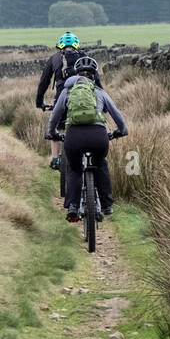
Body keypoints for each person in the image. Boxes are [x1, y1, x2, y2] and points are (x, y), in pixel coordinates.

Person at [44, 56, 128, 223]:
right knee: (101, 164)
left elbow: (55, 117)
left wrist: (51, 133)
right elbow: (118, 117)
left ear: (76, 73)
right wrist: (121, 131)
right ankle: (106, 204)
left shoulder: (68, 91)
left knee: (75, 169)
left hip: (74, 137)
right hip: (98, 136)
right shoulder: (100, 92)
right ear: (95, 75)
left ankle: (73, 207)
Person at [35, 32, 84, 170]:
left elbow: (44, 82)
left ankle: (55, 159)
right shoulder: (84, 57)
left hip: (62, 98)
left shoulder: (54, 58)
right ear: (76, 45)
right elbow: (96, 80)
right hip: (83, 98)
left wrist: (39, 102)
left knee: (56, 127)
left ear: (60, 46)